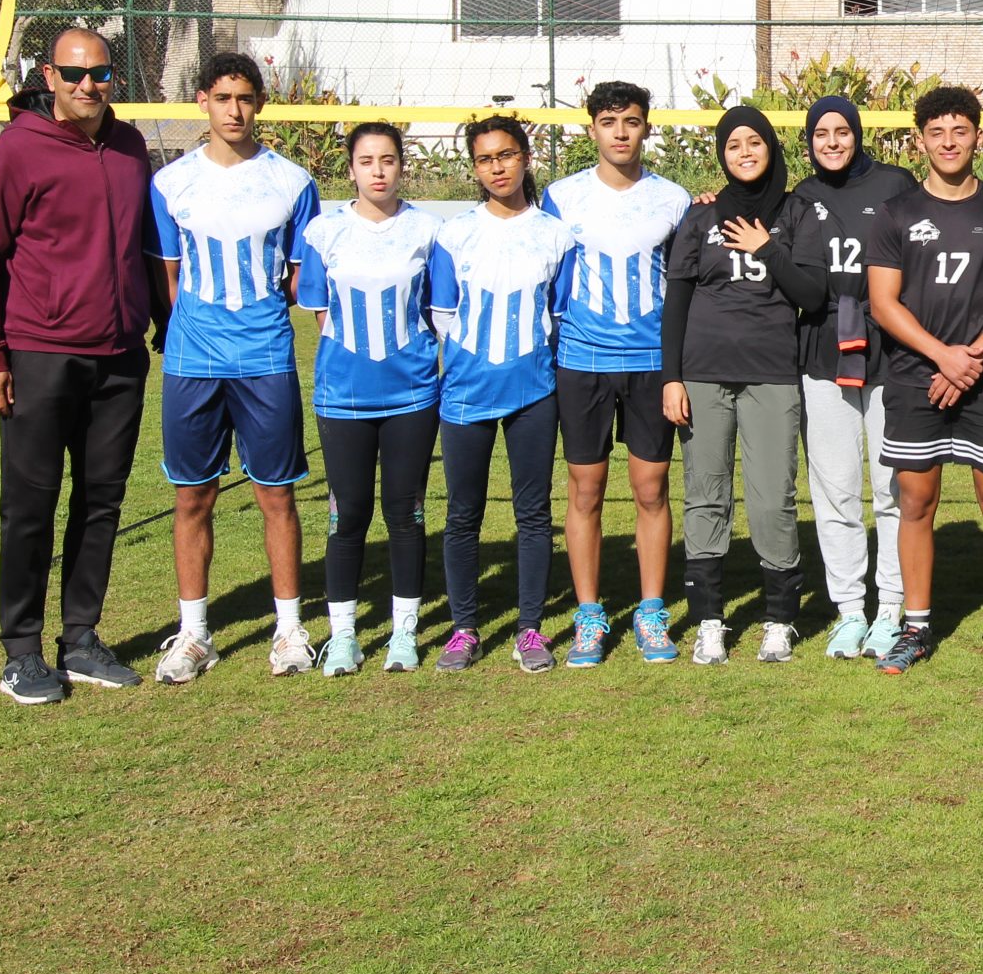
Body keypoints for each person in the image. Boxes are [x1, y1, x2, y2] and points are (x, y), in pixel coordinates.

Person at [0, 28, 161, 705]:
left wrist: (158, 317)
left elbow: (144, 245)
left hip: (118, 356)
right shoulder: (14, 152)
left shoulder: (132, 148)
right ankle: (21, 649)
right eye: (74, 73)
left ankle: (80, 638)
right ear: (49, 75)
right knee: (29, 506)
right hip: (40, 353)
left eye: (100, 73)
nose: (87, 85)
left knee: (101, 502)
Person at [149, 53, 322, 684]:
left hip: (265, 357)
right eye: (223, 98)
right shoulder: (171, 182)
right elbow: (169, 275)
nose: (235, 110)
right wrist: (195, 336)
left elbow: (301, 278)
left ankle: (289, 631)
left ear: (259, 103)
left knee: (276, 494)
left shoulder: (293, 182)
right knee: (192, 495)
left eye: (245, 98)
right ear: (203, 101)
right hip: (194, 360)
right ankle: (194, 634)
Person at [862, 86, 983, 674]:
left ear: (977, 138)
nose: (949, 142)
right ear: (919, 140)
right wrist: (942, 357)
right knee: (916, 499)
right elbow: (884, 304)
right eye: (937, 132)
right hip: (914, 377)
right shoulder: (896, 214)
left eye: (960, 131)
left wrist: (972, 358)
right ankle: (915, 626)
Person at [661, 107, 829, 665]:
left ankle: (780, 619)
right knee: (706, 493)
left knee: (770, 499)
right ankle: (710, 618)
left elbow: (811, 294)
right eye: (733, 145)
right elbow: (678, 300)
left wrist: (766, 248)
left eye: (754, 142)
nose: (744, 153)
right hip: (704, 372)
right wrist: (672, 378)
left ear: (771, 148)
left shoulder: (797, 211)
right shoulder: (699, 215)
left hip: (771, 373)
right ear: (721, 155)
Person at [546, 81, 692, 666]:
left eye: (632, 121)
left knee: (651, 489)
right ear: (592, 130)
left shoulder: (674, 199)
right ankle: (588, 615)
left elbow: (683, 285)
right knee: (585, 490)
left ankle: (651, 611)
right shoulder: (561, 197)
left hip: (652, 365)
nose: (621, 131)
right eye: (609, 121)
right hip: (582, 363)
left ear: (647, 128)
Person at [429, 116, 579, 672]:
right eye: (486, 158)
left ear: (526, 159)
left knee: (533, 514)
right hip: (465, 393)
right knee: (463, 514)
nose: (498, 167)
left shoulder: (554, 234)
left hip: (533, 392)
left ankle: (530, 630)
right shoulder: (454, 233)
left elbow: (559, 314)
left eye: (507, 155)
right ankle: (463, 629)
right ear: (475, 167)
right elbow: (442, 313)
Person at [296, 123, 443, 677]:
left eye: (387, 159)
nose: (378, 170)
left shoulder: (428, 231)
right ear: (350, 168)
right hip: (343, 398)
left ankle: (404, 631)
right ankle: (344, 636)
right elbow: (319, 312)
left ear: (402, 165)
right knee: (346, 515)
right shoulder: (323, 232)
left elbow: (437, 311)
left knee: (406, 513)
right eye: (366, 160)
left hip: (411, 395)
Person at [789, 94, 917, 659]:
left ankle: (891, 605)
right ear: (810, 141)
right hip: (824, 354)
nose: (833, 142)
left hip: (891, 352)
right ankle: (848, 609)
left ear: (858, 134)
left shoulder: (897, 184)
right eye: (822, 134)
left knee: (893, 487)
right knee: (835, 488)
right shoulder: (801, 197)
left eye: (842, 131)